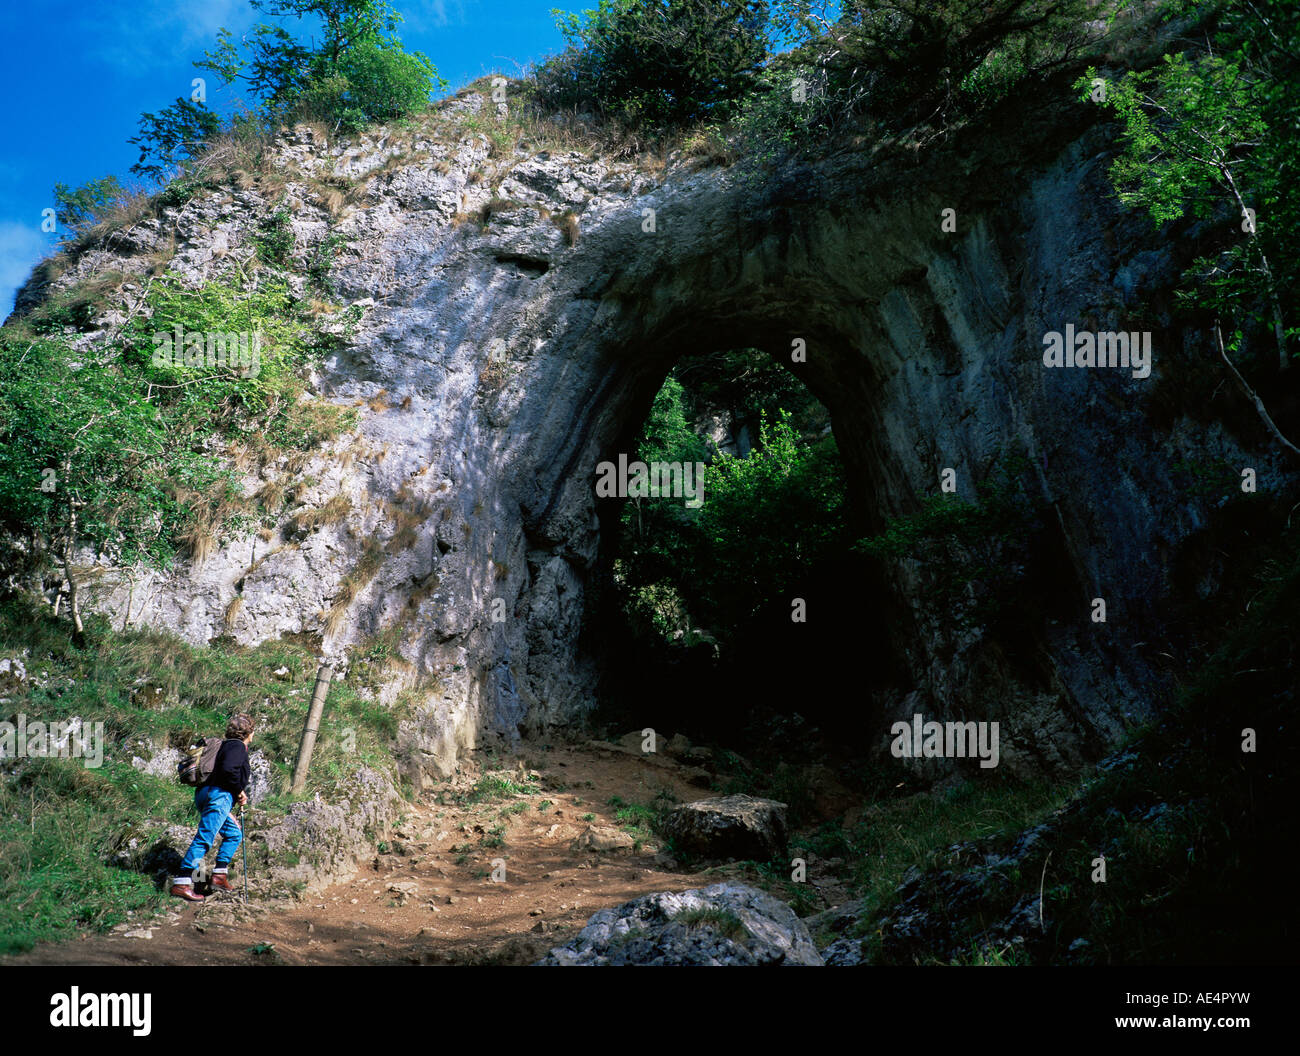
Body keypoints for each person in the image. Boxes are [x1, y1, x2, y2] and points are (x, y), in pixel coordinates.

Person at [171, 714, 254, 902]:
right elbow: (228, 770)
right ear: (249, 732)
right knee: (205, 838)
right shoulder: (237, 746)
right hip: (219, 796)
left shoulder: (223, 745)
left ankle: (219, 877)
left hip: (205, 793)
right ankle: (182, 883)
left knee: (234, 834)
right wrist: (239, 791)